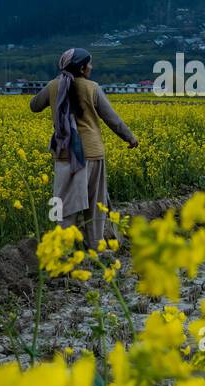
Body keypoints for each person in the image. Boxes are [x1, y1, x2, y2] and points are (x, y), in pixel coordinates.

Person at [30, 48, 138, 248]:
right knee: (95, 204)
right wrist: (130, 138)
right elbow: (112, 119)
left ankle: (63, 250)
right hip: (93, 152)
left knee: (64, 205)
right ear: (81, 68)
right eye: (89, 63)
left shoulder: (54, 85)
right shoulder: (92, 87)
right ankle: (95, 247)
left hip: (64, 153)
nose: (91, 67)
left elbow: (34, 105)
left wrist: (56, 85)